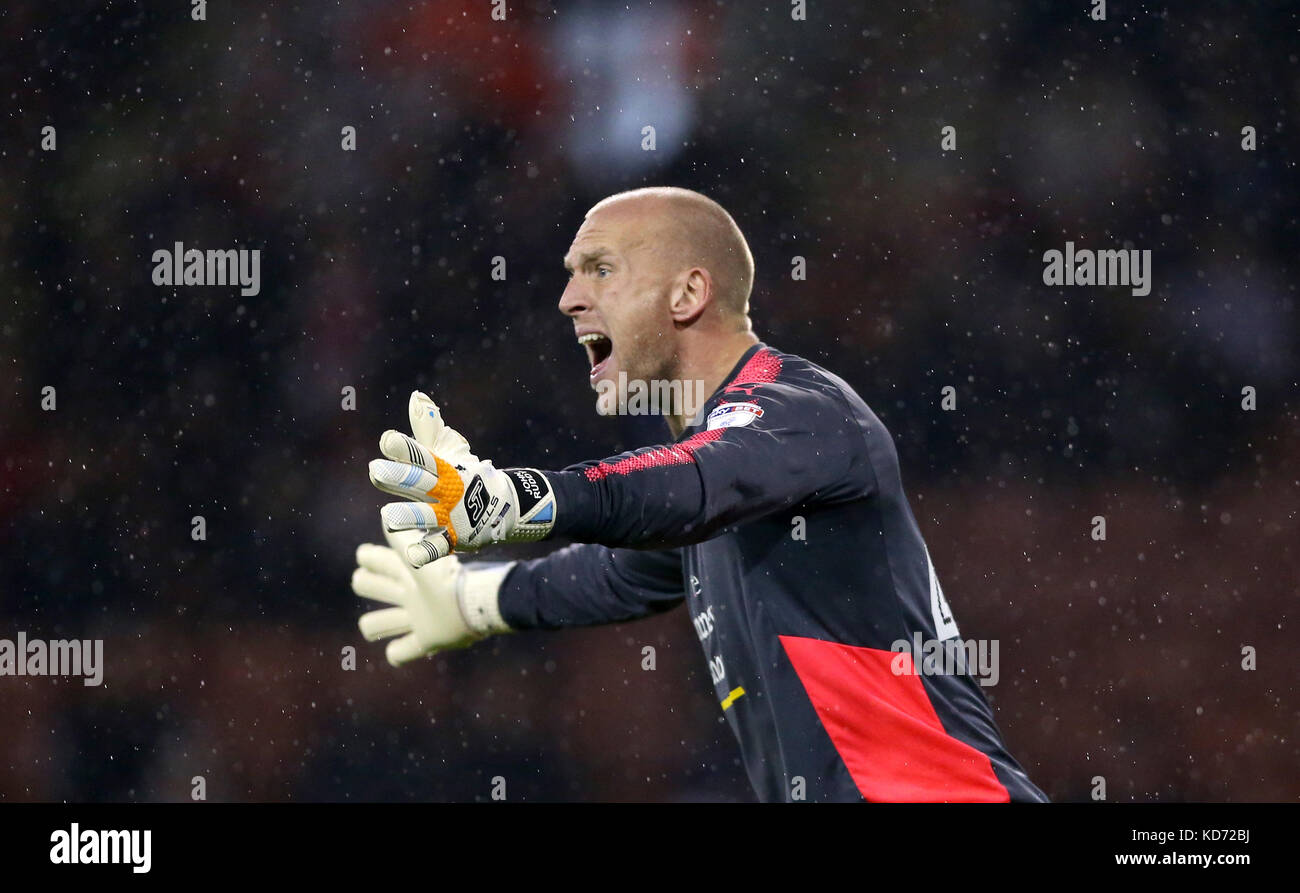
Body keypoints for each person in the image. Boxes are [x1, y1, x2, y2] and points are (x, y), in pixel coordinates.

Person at [352, 186, 1048, 802]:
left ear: (688, 294)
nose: (568, 299)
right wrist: (476, 598)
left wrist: (517, 497)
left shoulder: (801, 411)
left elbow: (689, 485)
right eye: (570, 276)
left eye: (600, 269)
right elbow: (621, 570)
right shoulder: (719, 481)